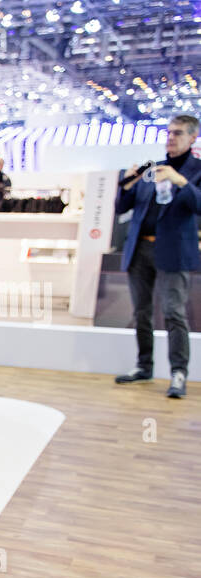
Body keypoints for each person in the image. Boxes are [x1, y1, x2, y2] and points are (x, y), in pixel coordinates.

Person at [112, 113, 201, 399]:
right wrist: (125, 184)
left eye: (177, 133)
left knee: (174, 313)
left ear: (192, 138)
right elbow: (123, 206)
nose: (171, 138)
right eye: (169, 132)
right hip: (140, 249)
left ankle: (178, 373)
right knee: (141, 312)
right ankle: (144, 366)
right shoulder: (153, 168)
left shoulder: (196, 170)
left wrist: (181, 182)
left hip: (172, 251)